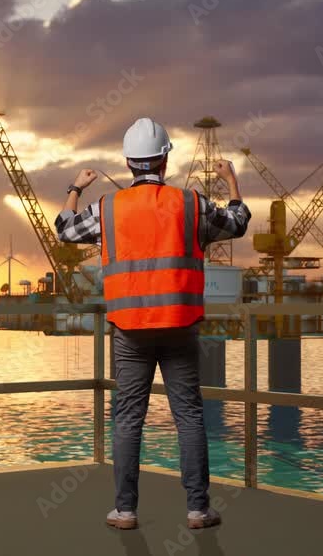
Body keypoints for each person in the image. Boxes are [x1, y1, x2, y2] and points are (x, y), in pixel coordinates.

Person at [54, 117, 251, 530]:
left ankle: (125, 511)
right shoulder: (191, 204)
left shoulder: (108, 208)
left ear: (129, 163)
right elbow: (238, 222)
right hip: (180, 325)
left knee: (128, 418)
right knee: (190, 416)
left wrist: (76, 188)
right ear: (164, 161)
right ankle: (198, 509)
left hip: (129, 329)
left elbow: (65, 231)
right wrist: (231, 181)